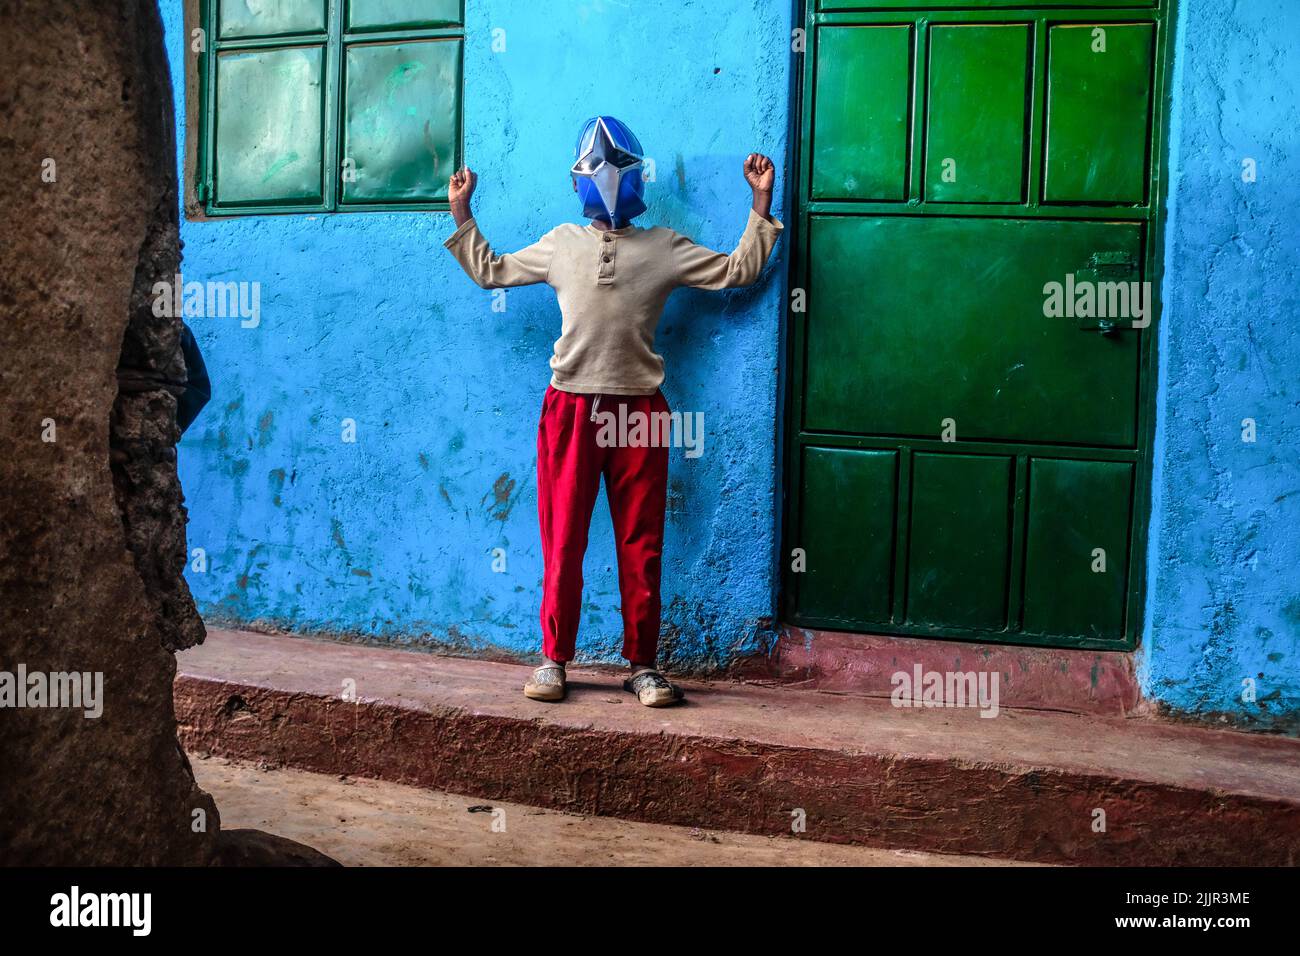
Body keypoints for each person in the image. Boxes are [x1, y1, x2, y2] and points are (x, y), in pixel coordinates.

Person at [443, 115, 782, 707]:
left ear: (636, 175)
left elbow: (735, 270)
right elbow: (491, 270)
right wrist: (462, 210)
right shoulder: (560, 244)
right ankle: (553, 659)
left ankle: (643, 665)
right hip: (569, 409)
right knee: (564, 540)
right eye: (594, 164)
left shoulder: (665, 247)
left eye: (615, 163)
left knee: (641, 540)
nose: (604, 172)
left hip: (639, 415)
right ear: (578, 177)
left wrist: (760, 204)